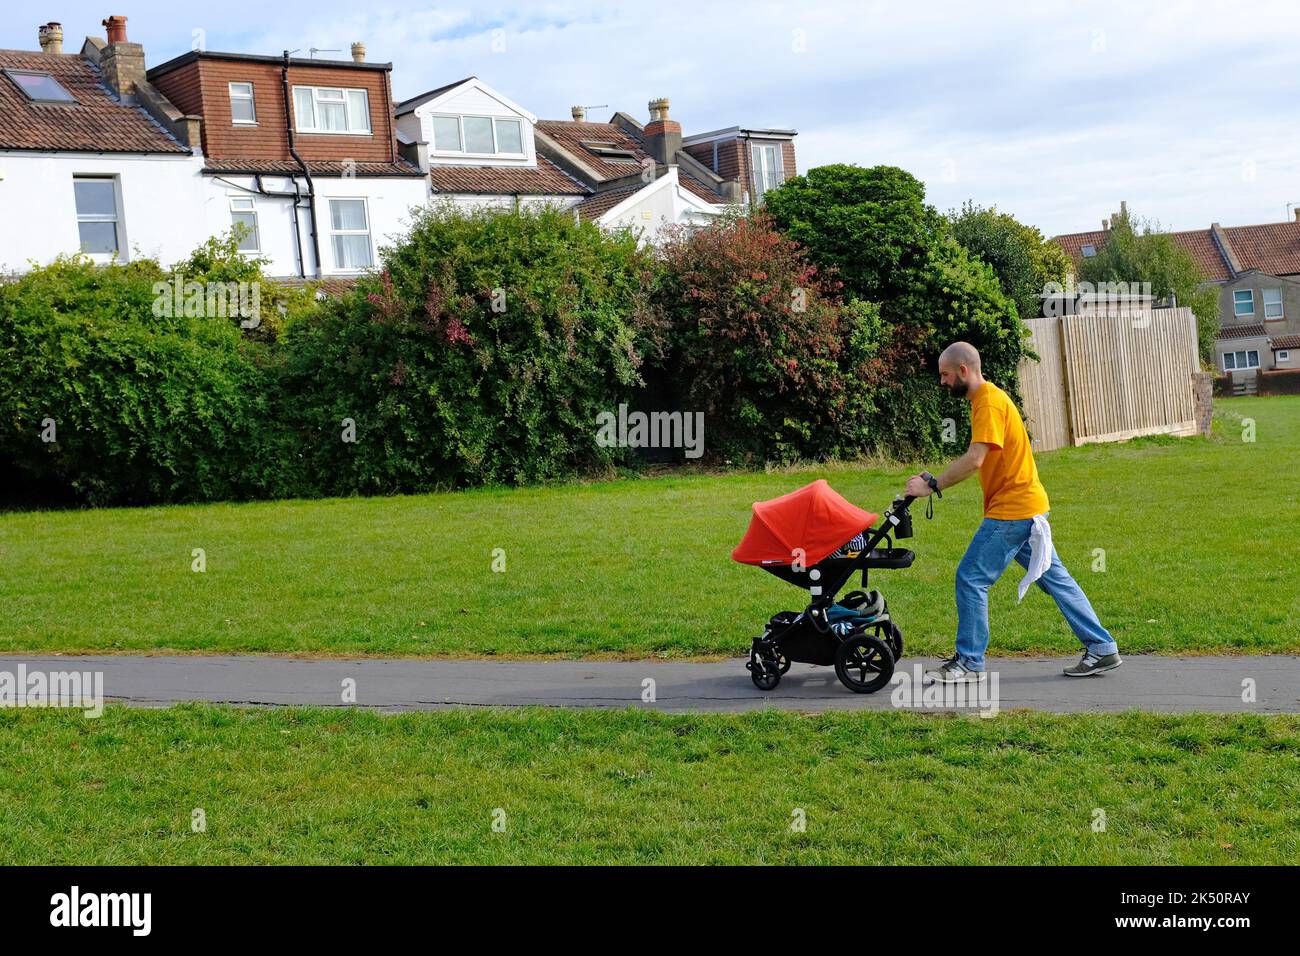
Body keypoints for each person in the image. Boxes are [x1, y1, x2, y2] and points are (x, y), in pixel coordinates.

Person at [904, 342, 1121, 682]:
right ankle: (1102, 647)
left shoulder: (987, 403)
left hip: (1013, 511)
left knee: (971, 577)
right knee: (1056, 581)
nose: (942, 382)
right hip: (1029, 507)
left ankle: (969, 663)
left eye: (945, 375)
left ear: (963, 370)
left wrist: (932, 486)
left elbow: (975, 460)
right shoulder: (987, 400)